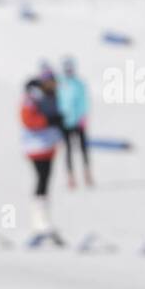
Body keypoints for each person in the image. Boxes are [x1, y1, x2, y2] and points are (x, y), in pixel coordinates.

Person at [21, 65, 63, 236]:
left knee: (45, 181)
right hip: (35, 146)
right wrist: (48, 121)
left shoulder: (51, 96)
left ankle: (44, 219)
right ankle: (38, 221)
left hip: (49, 146)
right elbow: (28, 119)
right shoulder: (33, 98)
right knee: (41, 180)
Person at [57, 55, 92, 188]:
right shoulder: (60, 84)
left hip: (78, 121)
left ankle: (87, 173)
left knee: (83, 148)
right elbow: (59, 103)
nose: (68, 71)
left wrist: (83, 117)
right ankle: (71, 177)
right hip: (65, 122)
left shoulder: (79, 84)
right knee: (68, 150)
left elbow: (84, 102)